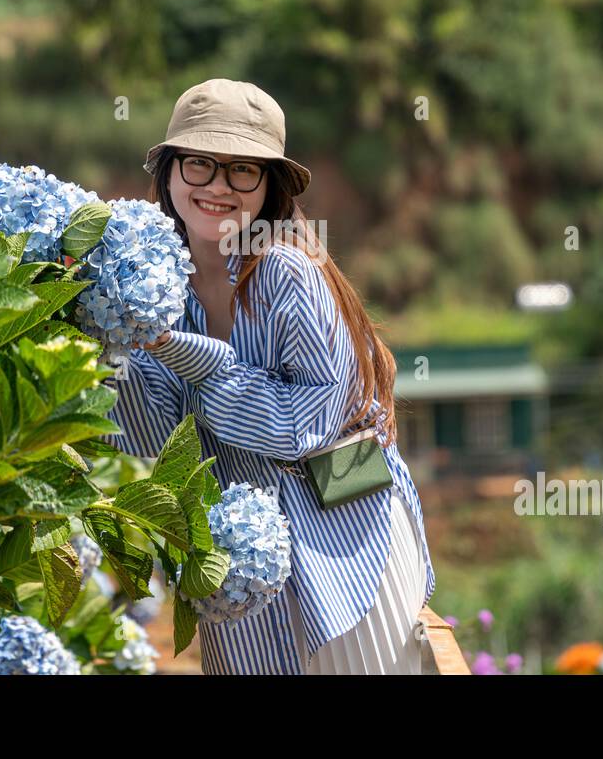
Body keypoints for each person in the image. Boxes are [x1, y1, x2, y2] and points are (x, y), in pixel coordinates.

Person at [104, 78, 436, 674]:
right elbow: (152, 449)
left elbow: (305, 423)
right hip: (239, 556)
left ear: (268, 185)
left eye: (242, 171)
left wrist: (187, 356)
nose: (217, 187)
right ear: (170, 172)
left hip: (344, 532)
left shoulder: (286, 270)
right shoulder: (152, 290)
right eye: (200, 164)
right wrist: (109, 342)